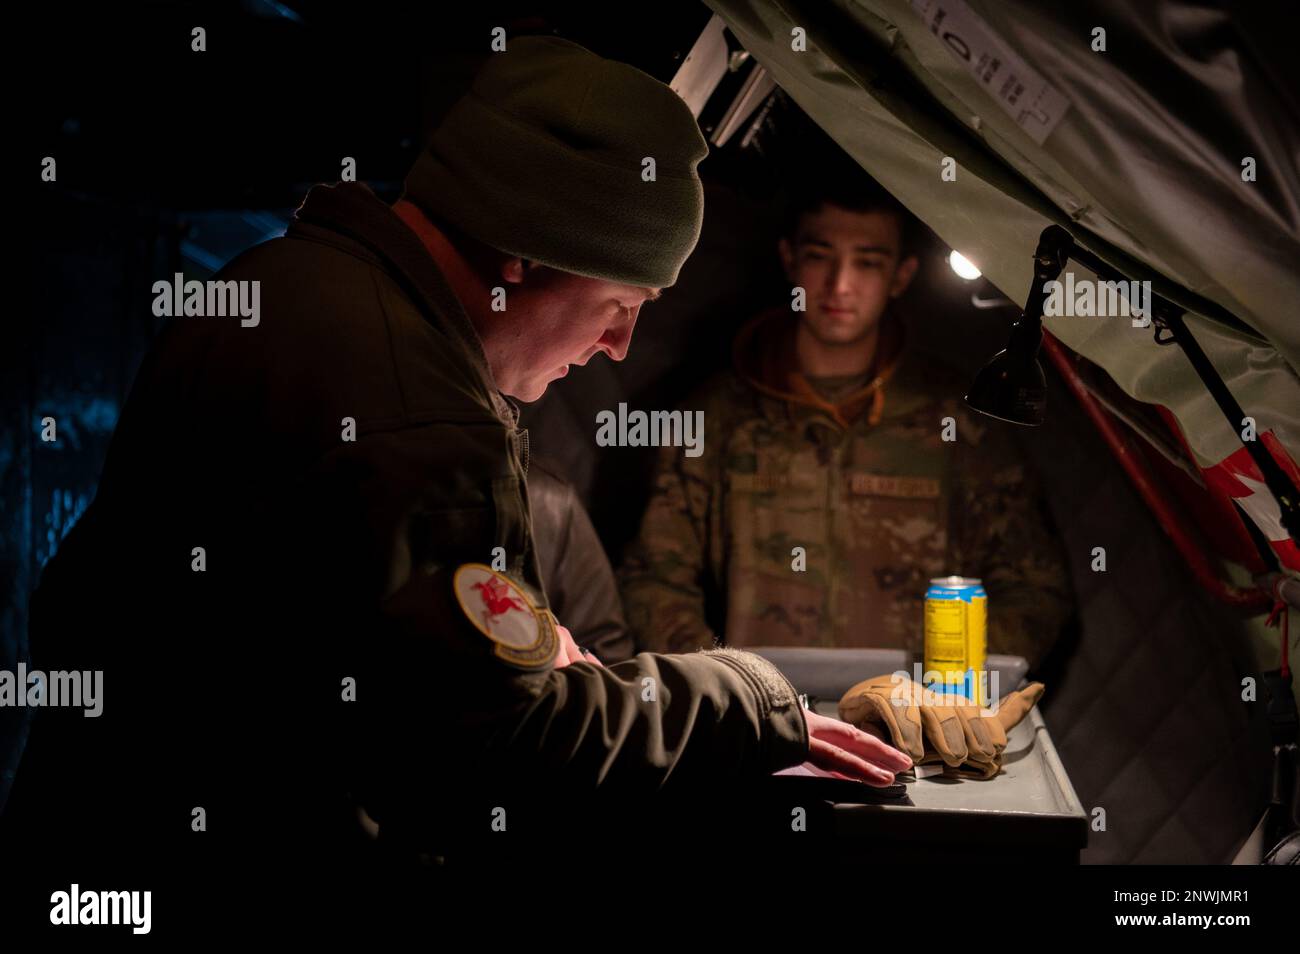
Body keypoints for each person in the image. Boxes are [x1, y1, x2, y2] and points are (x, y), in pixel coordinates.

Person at [2, 36, 910, 882]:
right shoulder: (421, 417)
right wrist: (740, 694)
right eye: (622, 301)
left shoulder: (275, 284)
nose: (621, 346)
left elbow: (111, 608)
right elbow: (497, 757)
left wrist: (485, 666)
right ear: (522, 253)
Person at [620, 162, 1072, 667]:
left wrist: (946, 694)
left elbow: (1033, 588)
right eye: (821, 257)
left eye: (868, 263)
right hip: (767, 731)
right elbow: (653, 577)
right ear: (790, 259)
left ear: (901, 275)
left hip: (912, 732)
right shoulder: (717, 418)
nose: (840, 285)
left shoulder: (958, 425)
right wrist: (727, 695)